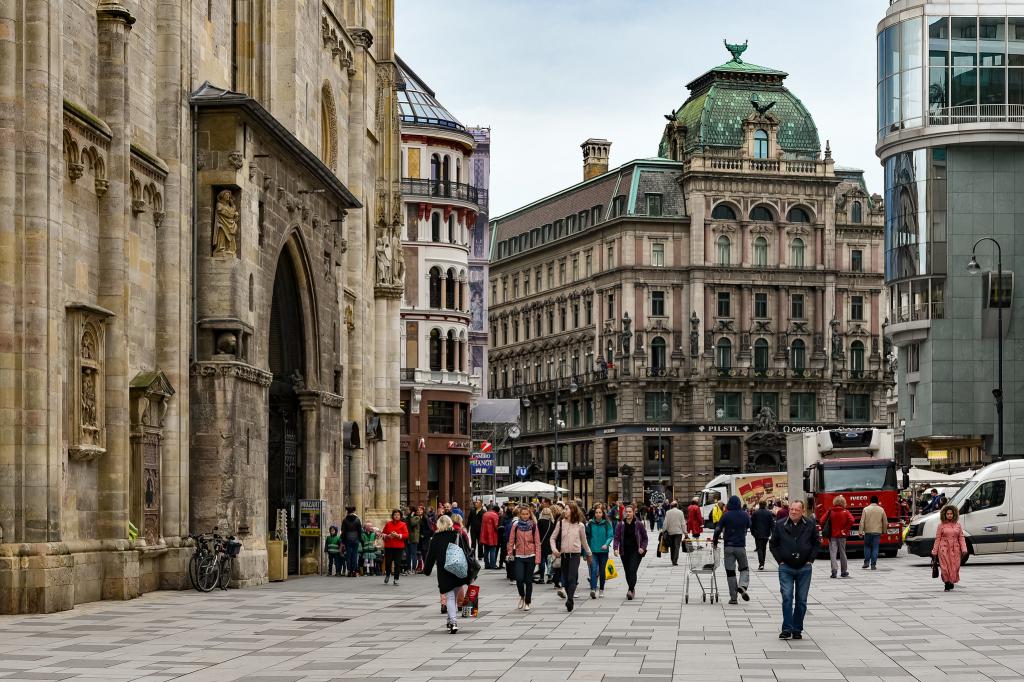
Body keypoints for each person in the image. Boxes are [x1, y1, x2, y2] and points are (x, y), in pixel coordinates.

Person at [769, 500, 820, 640]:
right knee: (787, 597)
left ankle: (797, 628)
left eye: (796, 510)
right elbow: (773, 544)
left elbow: (817, 542)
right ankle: (786, 628)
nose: (793, 512)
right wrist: (780, 561)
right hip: (786, 567)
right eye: (791, 509)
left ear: (802, 511)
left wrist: (811, 560)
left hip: (804, 567)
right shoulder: (780, 524)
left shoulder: (810, 524)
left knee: (801, 600)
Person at [422, 514, 472, 634]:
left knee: (449, 597)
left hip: (444, 571)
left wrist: (427, 570)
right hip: (457, 569)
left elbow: (430, 557)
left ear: (438, 525)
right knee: (453, 596)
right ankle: (450, 620)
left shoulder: (435, 539)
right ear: (450, 524)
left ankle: (453, 622)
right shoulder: (457, 535)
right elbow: (466, 552)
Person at [550, 501, 592, 612]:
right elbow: (552, 538)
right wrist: (554, 549)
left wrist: (589, 553)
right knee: (566, 580)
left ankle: (570, 599)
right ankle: (569, 596)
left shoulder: (580, 525)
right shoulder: (561, 523)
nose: (564, 511)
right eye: (565, 509)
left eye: (567, 509)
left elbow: (584, 542)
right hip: (563, 555)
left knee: (572, 577)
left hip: (575, 554)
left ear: (573, 510)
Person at [712, 495, 751, 604]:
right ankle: (742, 585)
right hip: (740, 546)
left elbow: (718, 529)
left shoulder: (726, 515)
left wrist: (715, 541)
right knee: (744, 568)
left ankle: (733, 598)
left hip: (728, 547)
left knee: (730, 572)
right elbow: (749, 525)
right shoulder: (745, 514)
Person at [506, 505, 541, 610]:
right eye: (523, 514)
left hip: (531, 556)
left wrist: (538, 559)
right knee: (519, 579)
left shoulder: (533, 526)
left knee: (528, 580)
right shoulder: (515, 526)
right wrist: (510, 553)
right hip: (519, 556)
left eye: (527, 514)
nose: (525, 516)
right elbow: (511, 541)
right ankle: (522, 595)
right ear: (520, 514)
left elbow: (538, 543)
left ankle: (528, 602)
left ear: (529, 514)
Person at [613, 503, 648, 600]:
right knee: (627, 572)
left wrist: (642, 547)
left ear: (633, 512)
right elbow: (616, 538)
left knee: (632, 570)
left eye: (630, 512)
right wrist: (615, 548)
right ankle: (632, 589)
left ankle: (630, 589)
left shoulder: (639, 524)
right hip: (624, 552)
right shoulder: (621, 524)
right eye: (626, 512)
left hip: (636, 552)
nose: (628, 513)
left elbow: (645, 538)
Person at [932, 504, 968, 591]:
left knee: (955, 567)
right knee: (944, 567)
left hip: (955, 549)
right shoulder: (941, 525)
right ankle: (946, 582)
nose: (949, 515)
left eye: (951, 514)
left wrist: (964, 549)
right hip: (943, 549)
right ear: (944, 514)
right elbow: (938, 538)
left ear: (954, 514)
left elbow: (961, 537)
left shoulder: (958, 525)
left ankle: (951, 581)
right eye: (948, 514)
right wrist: (934, 551)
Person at [821, 495, 855, 579]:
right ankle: (844, 571)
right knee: (843, 553)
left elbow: (822, 520)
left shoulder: (830, 511)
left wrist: (825, 528)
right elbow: (852, 520)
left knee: (833, 553)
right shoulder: (845, 511)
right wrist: (845, 529)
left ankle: (834, 571)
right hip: (842, 536)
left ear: (835, 502)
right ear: (843, 502)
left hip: (832, 536)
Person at [586, 504, 614, 598]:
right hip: (593, 551)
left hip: (603, 552)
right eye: (596, 512)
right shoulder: (590, 524)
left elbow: (610, 535)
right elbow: (587, 536)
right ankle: (593, 589)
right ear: (594, 514)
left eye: (600, 512)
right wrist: (586, 551)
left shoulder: (606, 523)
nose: (598, 514)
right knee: (593, 570)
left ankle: (601, 589)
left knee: (602, 571)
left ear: (602, 513)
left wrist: (606, 544)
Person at [381, 509, 409, 585]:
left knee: (397, 563)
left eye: (398, 515)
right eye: (395, 515)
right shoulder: (388, 524)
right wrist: (387, 536)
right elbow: (383, 533)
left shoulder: (403, 524)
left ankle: (396, 579)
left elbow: (406, 535)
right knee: (388, 562)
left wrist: (397, 535)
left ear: (400, 516)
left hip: (398, 547)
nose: (396, 516)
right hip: (389, 546)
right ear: (392, 516)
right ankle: (387, 574)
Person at [860, 495, 886, 570]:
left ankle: (866, 562)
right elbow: (885, 522)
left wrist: (860, 532)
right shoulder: (881, 509)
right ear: (877, 501)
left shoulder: (865, 509)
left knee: (867, 546)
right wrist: (884, 531)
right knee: (875, 547)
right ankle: (873, 565)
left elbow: (862, 521)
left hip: (868, 532)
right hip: (877, 532)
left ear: (870, 501)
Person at [750, 500, 775, 571]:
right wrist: (773, 533)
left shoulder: (755, 513)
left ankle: (761, 563)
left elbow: (751, 524)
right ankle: (762, 563)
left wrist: (752, 532)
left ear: (759, 505)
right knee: (763, 548)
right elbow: (772, 524)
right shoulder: (769, 513)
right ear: (765, 505)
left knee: (759, 548)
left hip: (757, 534)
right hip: (766, 533)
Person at [536, 499, 555, 584]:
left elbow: (537, 533)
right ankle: (550, 577)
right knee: (549, 561)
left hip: (541, 543)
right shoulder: (552, 523)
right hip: (549, 544)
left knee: (542, 561)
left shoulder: (540, 522)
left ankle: (541, 578)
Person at [663, 500, 687, 566]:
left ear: (671, 506)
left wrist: (663, 530)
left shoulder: (668, 512)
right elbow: (683, 523)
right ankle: (675, 560)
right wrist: (685, 532)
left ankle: (672, 559)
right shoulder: (680, 512)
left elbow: (665, 523)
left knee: (672, 546)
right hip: (678, 532)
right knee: (677, 546)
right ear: (677, 505)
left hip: (670, 532)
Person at [340, 506, 362, 577]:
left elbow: (343, 531)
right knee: (355, 555)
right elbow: (360, 531)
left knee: (348, 555)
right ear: (354, 511)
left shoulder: (345, 520)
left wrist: (343, 541)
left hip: (347, 539)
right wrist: (361, 540)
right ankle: (354, 571)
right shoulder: (357, 520)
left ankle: (349, 571)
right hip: (355, 539)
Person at [480, 504, 500, 569]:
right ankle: (493, 564)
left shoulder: (485, 514)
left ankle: (486, 564)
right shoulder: (495, 515)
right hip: (492, 535)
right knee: (492, 550)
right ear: (497, 511)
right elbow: (496, 526)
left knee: (486, 550)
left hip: (484, 534)